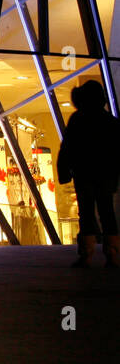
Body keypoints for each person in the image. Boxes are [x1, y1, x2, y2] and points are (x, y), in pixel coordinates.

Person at [57, 79, 120, 268]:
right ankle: (112, 253)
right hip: (105, 175)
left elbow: (67, 147)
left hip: (83, 174)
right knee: (107, 212)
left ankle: (87, 253)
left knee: (85, 213)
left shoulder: (77, 120)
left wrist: (64, 171)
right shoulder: (110, 122)